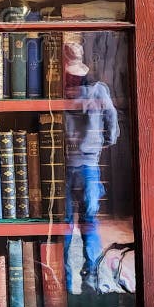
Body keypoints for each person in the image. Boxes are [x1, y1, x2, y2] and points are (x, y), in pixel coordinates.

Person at [63, 40, 120, 293]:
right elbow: (112, 119)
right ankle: (88, 275)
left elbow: (111, 119)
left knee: (73, 222)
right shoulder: (98, 90)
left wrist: (106, 139)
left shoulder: (79, 91)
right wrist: (106, 140)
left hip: (71, 163)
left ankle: (78, 277)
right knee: (86, 221)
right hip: (84, 163)